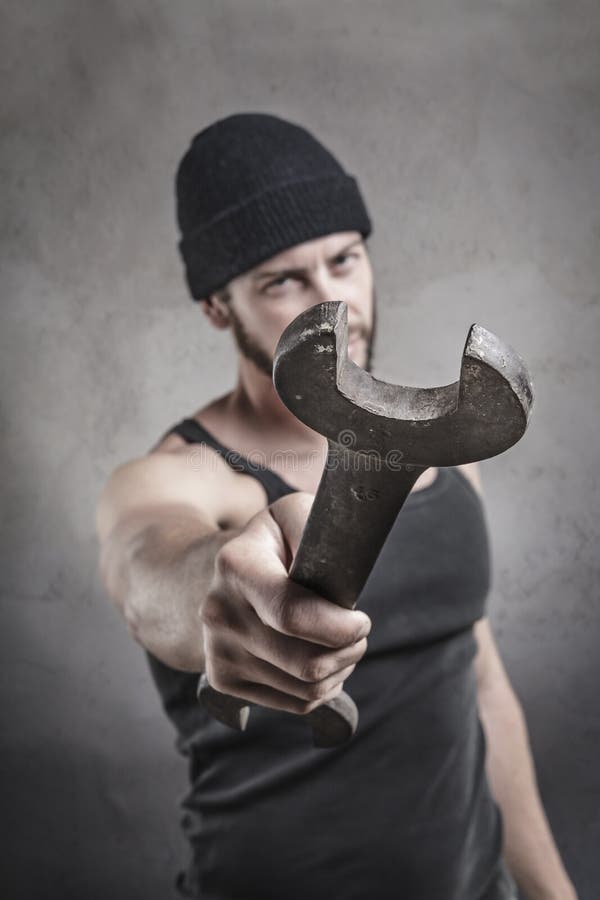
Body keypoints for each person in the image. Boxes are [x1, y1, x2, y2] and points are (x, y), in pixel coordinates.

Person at [96, 113, 577, 900]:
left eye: (344, 260)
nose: (333, 300)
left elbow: (481, 685)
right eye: (281, 279)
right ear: (218, 306)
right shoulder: (179, 478)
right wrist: (220, 583)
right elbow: (149, 570)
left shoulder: (450, 461)